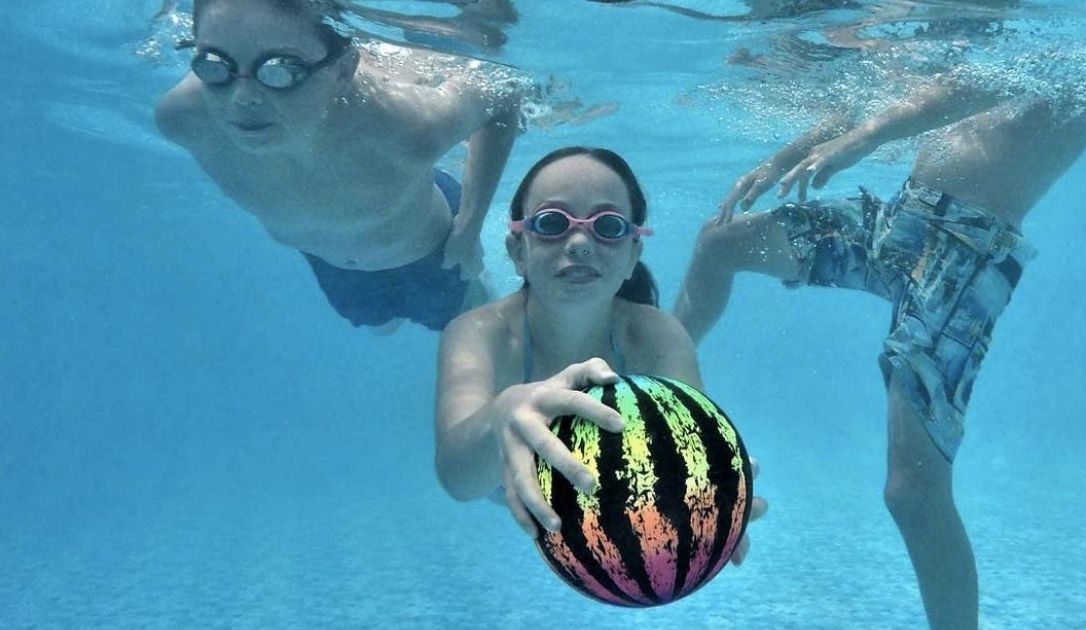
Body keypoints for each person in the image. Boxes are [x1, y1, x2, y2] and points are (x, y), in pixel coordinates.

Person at [673, 77, 1086, 628]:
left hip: (965, 250)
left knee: (913, 492)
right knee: (717, 244)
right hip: (898, 221)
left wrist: (868, 136)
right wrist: (786, 155)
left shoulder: (1076, 51)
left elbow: (976, 86)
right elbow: (881, 88)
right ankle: (650, 382)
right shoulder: (956, 34)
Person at [434, 147, 765, 562]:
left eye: (607, 227)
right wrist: (502, 414)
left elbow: (687, 454)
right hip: (511, 497)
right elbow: (457, 478)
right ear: (518, 251)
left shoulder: (657, 335)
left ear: (632, 255)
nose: (578, 243)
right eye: (552, 223)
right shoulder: (479, 333)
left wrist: (713, 490)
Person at [155, 0, 520, 333]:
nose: (243, 98)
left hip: (431, 254)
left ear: (344, 69)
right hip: (332, 268)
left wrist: (469, 228)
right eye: (214, 66)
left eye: (282, 70)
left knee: (470, 324)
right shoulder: (182, 118)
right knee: (379, 324)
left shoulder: (408, 126)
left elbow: (504, 90)